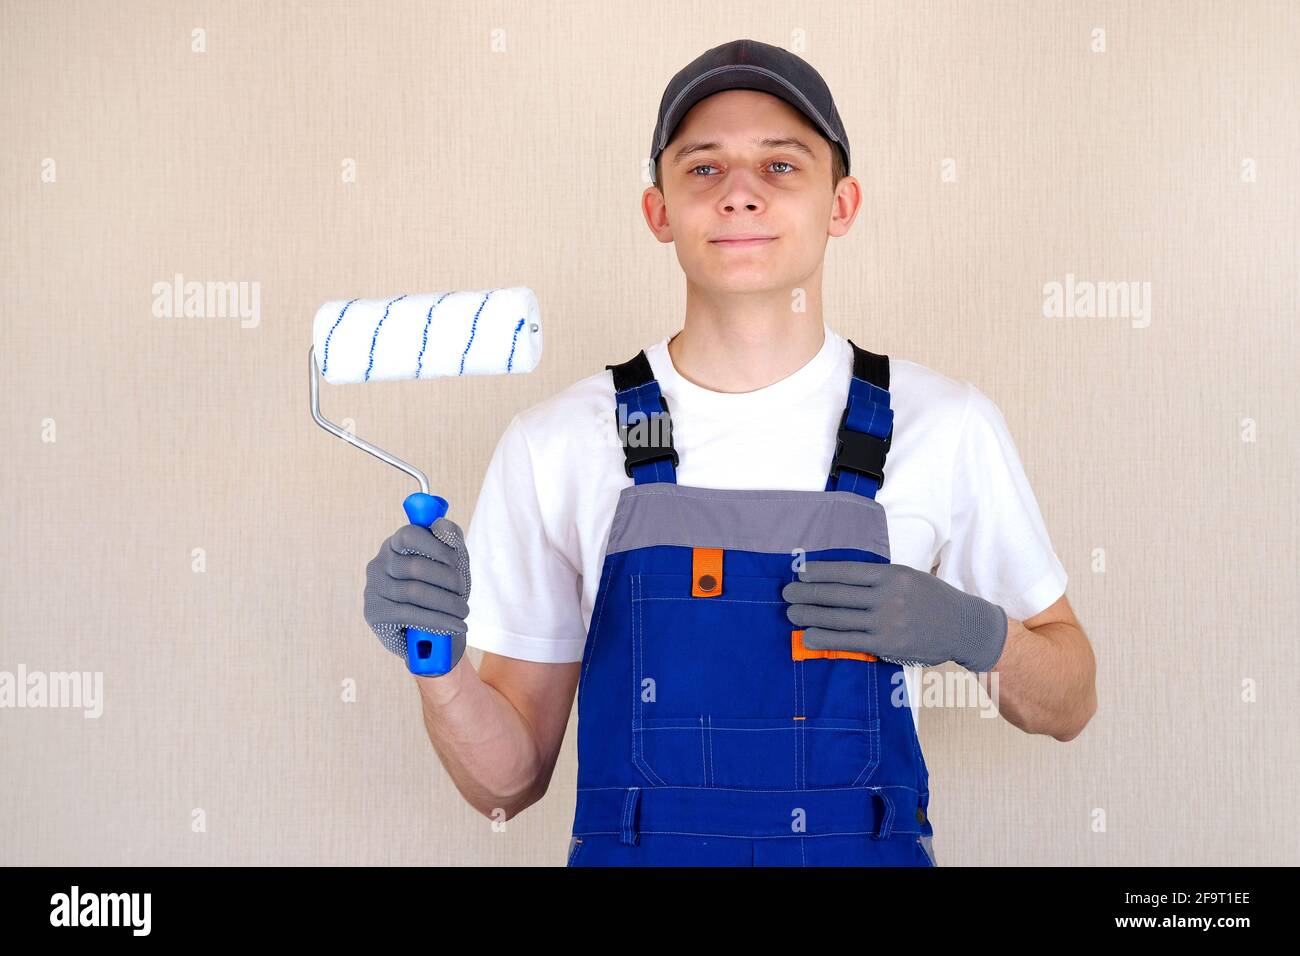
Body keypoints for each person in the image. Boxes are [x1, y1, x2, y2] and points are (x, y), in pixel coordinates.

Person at [363, 38, 1096, 867]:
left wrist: (973, 630)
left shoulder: (945, 424)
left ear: (841, 204)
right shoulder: (559, 442)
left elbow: (1069, 702)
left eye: (781, 166)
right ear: (660, 211)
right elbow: (507, 786)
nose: (740, 194)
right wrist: (440, 661)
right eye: (704, 168)